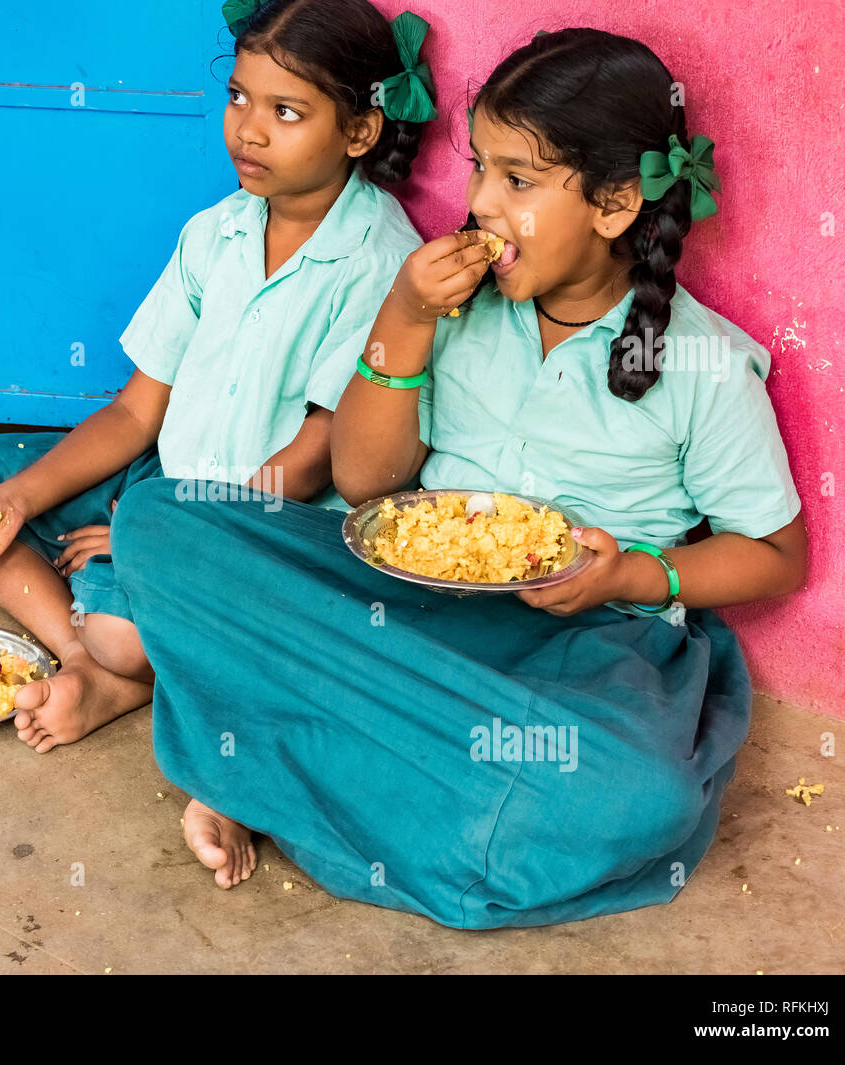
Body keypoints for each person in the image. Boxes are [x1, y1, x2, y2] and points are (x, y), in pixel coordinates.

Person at [109, 27, 808, 927]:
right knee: (168, 519)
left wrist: (636, 573)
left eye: (517, 181)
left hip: (579, 649)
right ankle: (330, 766)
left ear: (616, 202)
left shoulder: (699, 364)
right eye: (478, 168)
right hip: (400, 603)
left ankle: (266, 762)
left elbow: (777, 553)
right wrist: (401, 316)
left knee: (633, 792)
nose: (478, 202)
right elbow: (365, 482)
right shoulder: (454, 309)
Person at [0, 0, 437, 753]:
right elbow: (136, 414)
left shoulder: (378, 260)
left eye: (286, 111)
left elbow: (319, 449)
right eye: (238, 98)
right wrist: (16, 497)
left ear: (359, 129)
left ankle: (116, 666)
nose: (248, 130)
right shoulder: (216, 231)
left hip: (267, 518)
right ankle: (80, 663)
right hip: (167, 475)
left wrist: (152, 531)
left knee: (121, 635)